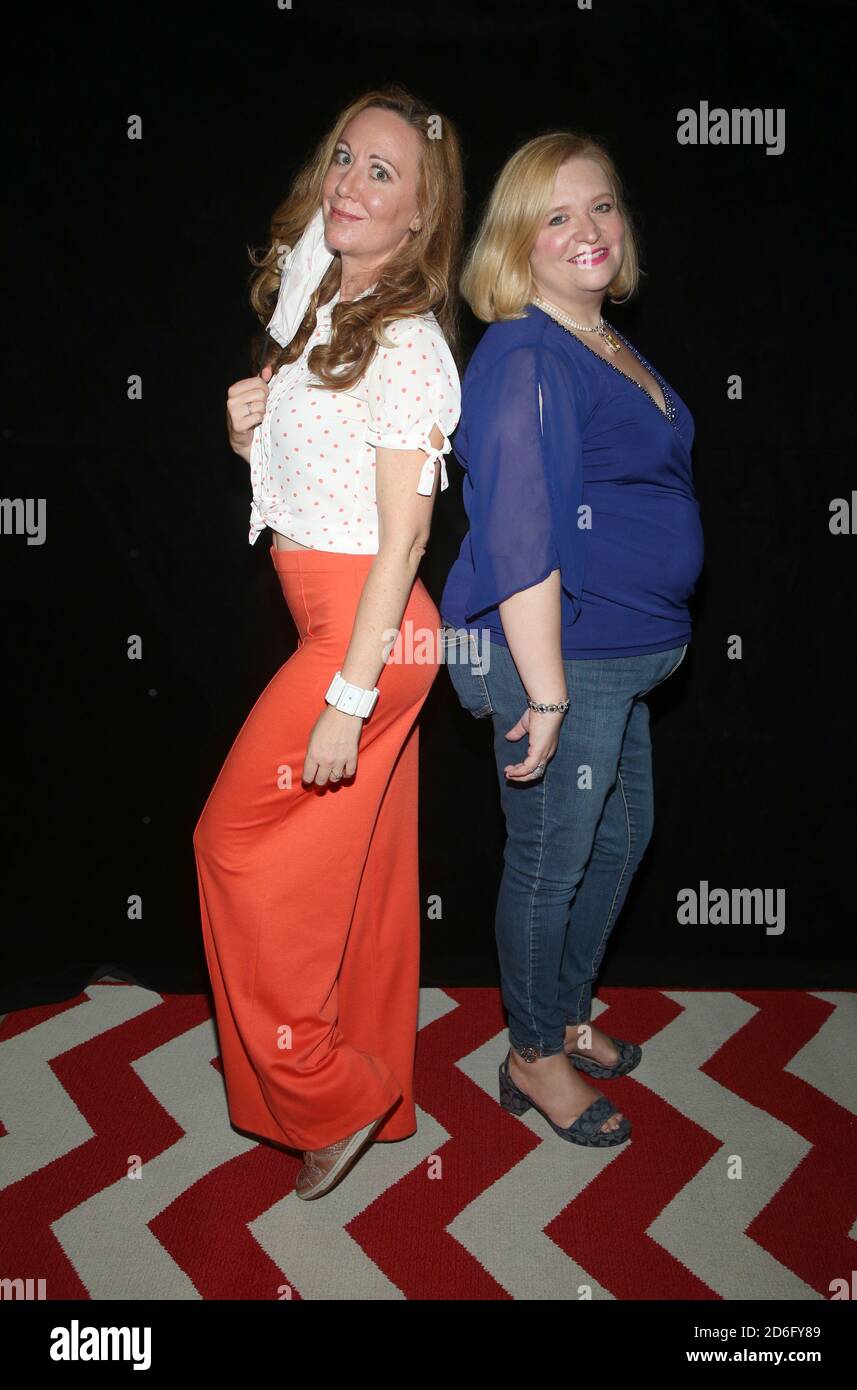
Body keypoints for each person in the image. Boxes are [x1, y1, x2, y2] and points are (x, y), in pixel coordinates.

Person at [193, 85, 463, 1199]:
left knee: (229, 846)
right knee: (363, 881)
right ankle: (370, 1082)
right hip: (347, 623)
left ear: (419, 218)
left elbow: (405, 535)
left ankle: (323, 1085)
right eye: (346, 157)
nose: (353, 183)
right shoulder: (319, 302)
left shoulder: (402, 337)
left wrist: (349, 699)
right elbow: (320, 470)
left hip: (372, 634)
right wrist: (245, 420)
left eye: (385, 173)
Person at [440, 131, 704, 1147]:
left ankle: (561, 1012)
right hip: (563, 658)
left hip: (615, 654)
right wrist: (543, 694)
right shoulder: (524, 351)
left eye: (600, 206)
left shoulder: (601, 340)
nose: (585, 229)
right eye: (555, 214)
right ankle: (531, 1052)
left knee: (620, 838)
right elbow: (518, 529)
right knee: (551, 861)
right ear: (518, 240)